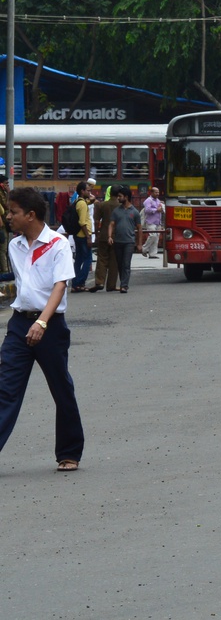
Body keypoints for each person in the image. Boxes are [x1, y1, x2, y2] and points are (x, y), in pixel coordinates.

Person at [0, 187, 85, 471]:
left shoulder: (58, 244)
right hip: (19, 324)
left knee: (61, 389)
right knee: (5, 389)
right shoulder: (15, 245)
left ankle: (69, 452)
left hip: (50, 326)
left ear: (30, 215)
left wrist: (42, 322)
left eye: (13, 212)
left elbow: (60, 286)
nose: (8, 216)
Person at [109, 188, 140, 293]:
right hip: (118, 241)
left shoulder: (135, 212)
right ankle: (123, 282)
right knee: (120, 264)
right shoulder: (116, 211)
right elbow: (111, 224)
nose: (118, 198)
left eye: (120, 196)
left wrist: (139, 244)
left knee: (126, 264)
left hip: (129, 242)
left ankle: (124, 285)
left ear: (126, 197)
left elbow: (139, 228)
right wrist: (109, 236)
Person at [89, 187, 116, 293]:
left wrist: (96, 233)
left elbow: (96, 221)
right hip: (116, 236)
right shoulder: (121, 206)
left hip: (104, 235)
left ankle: (99, 282)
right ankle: (111, 285)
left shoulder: (102, 205)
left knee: (102, 259)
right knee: (114, 261)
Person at [69, 182, 93, 292]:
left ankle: (75, 283)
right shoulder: (82, 204)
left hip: (78, 235)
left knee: (78, 259)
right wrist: (88, 237)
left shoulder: (78, 201)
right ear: (82, 191)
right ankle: (80, 282)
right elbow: (82, 222)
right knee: (88, 259)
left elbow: (90, 200)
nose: (90, 192)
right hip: (83, 235)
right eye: (88, 190)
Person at [140, 185, 164, 259]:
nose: (157, 194)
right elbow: (147, 210)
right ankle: (144, 248)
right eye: (156, 192)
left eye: (158, 192)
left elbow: (160, 210)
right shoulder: (148, 200)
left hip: (158, 222)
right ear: (152, 193)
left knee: (156, 238)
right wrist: (156, 210)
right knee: (153, 235)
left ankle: (152, 254)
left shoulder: (158, 200)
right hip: (150, 222)